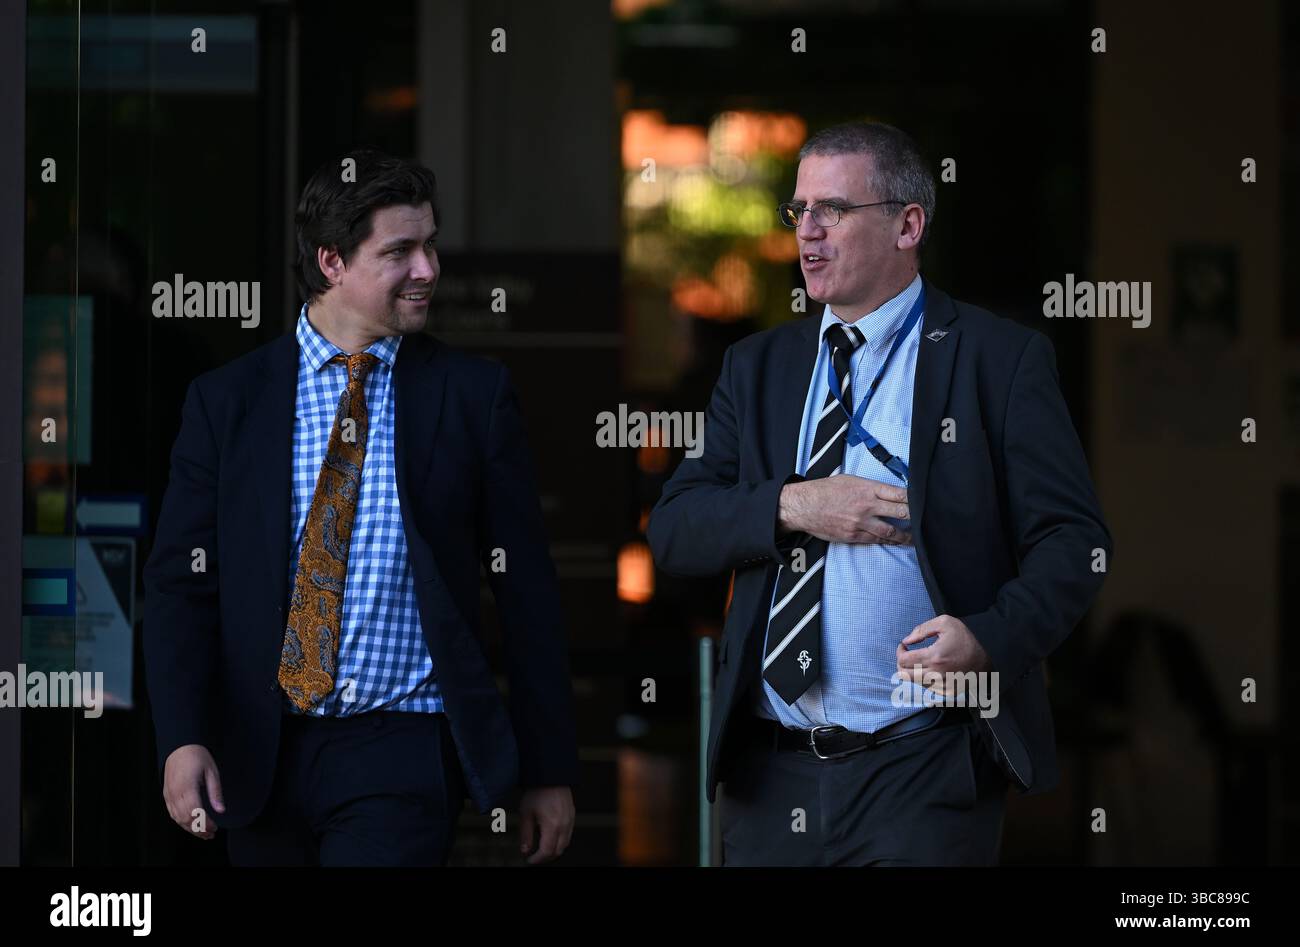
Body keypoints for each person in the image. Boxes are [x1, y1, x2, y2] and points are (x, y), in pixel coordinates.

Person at [647, 121, 1111, 866]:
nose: (809, 233)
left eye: (833, 210)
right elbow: (676, 528)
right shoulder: (757, 366)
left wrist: (991, 637)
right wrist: (796, 504)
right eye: (799, 212)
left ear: (908, 224)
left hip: (922, 769)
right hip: (772, 776)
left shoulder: (999, 360)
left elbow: (1074, 543)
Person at [143, 148, 577, 866]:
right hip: (258, 752)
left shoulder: (472, 398)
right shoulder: (227, 403)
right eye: (401, 250)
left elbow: (526, 592)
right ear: (333, 262)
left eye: (430, 244)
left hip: (402, 753)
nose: (429, 269)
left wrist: (548, 767)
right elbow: (179, 587)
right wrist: (183, 737)